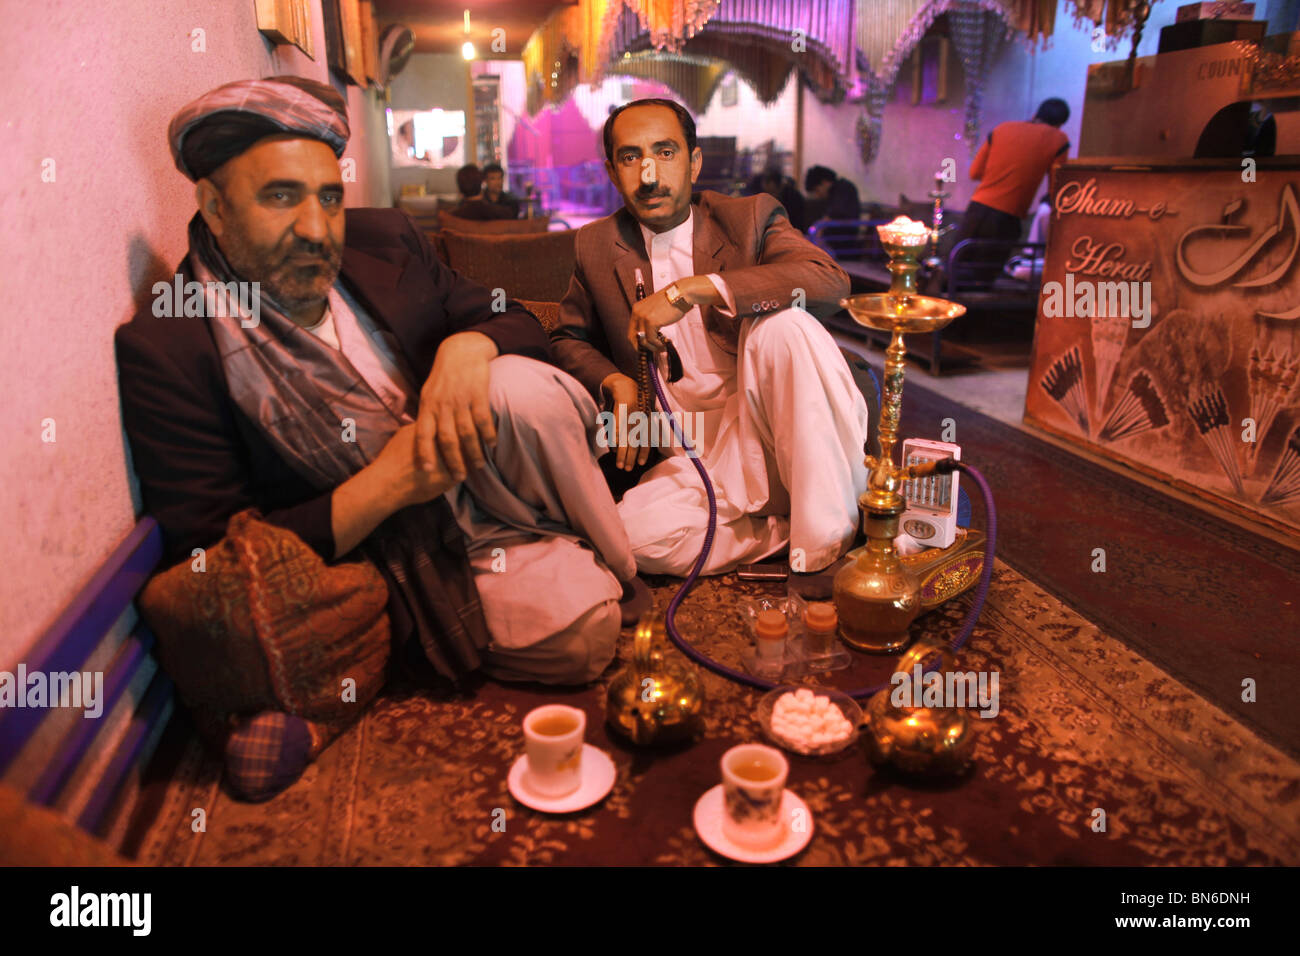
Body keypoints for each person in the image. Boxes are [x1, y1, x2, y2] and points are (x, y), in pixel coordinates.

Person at [116, 76, 647, 692]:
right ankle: (546, 560)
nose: (317, 229)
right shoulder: (172, 346)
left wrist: (465, 347)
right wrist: (386, 486)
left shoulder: (384, 240)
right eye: (281, 197)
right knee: (583, 640)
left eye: (328, 198)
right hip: (388, 547)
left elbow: (514, 319)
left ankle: (609, 557)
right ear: (213, 206)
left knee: (520, 386)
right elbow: (213, 559)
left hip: (488, 474)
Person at [549, 98, 870, 576]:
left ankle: (820, 553)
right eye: (631, 157)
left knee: (783, 326)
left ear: (694, 162)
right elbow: (566, 339)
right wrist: (616, 382)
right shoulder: (596, 244)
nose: (650, 175)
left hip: (784, 433)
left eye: (666, 152)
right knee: (633, 541)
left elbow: (828, 280)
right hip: (693, 456)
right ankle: (795, 529)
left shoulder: (749, 219)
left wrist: (691, 291)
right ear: (612, 172)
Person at [953, 97, 1070, 281]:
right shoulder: (1059, 139)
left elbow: (975, 172)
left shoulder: (1002, 129)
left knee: (954, 271)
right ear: (1060, 124)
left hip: (976, 209)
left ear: (1035, 114)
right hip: (1007, 216)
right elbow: (1057, 186)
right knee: (983, 279)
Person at [804, 165, 862, 255]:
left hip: (841, 243)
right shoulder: (835, 192)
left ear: (824, 182)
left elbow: (835, 213)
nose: (817, 195)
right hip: (834, 240)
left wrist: (817, 232)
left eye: (817, 190)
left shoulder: (843, 189)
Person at [744, 165, 807, 233]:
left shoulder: (792, 198)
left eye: (772, 192)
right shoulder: (761, 197)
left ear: (779, 186)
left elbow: (795, 224)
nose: (771, 196)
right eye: (767, 192)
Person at [450, 163, 514, 220]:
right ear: (483, 181)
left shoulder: (452, 217)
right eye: (493, 178)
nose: (497, 182)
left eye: (500, 178)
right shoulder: (505, 213)